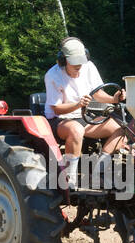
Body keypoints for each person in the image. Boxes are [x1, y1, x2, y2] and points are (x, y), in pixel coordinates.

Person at [44, 37, 126, 165]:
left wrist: (114, 99)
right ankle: (69, 178)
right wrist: (78, 104)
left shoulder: (89, 67)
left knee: (121, 128)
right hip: (60, 119)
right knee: (76, 130)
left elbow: (98, 93)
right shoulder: (52, 75)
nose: (79, 65)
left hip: (83, 116)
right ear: (63, 60)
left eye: (81, 61)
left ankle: (100, 169)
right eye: (74, 62)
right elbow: (56, 108)